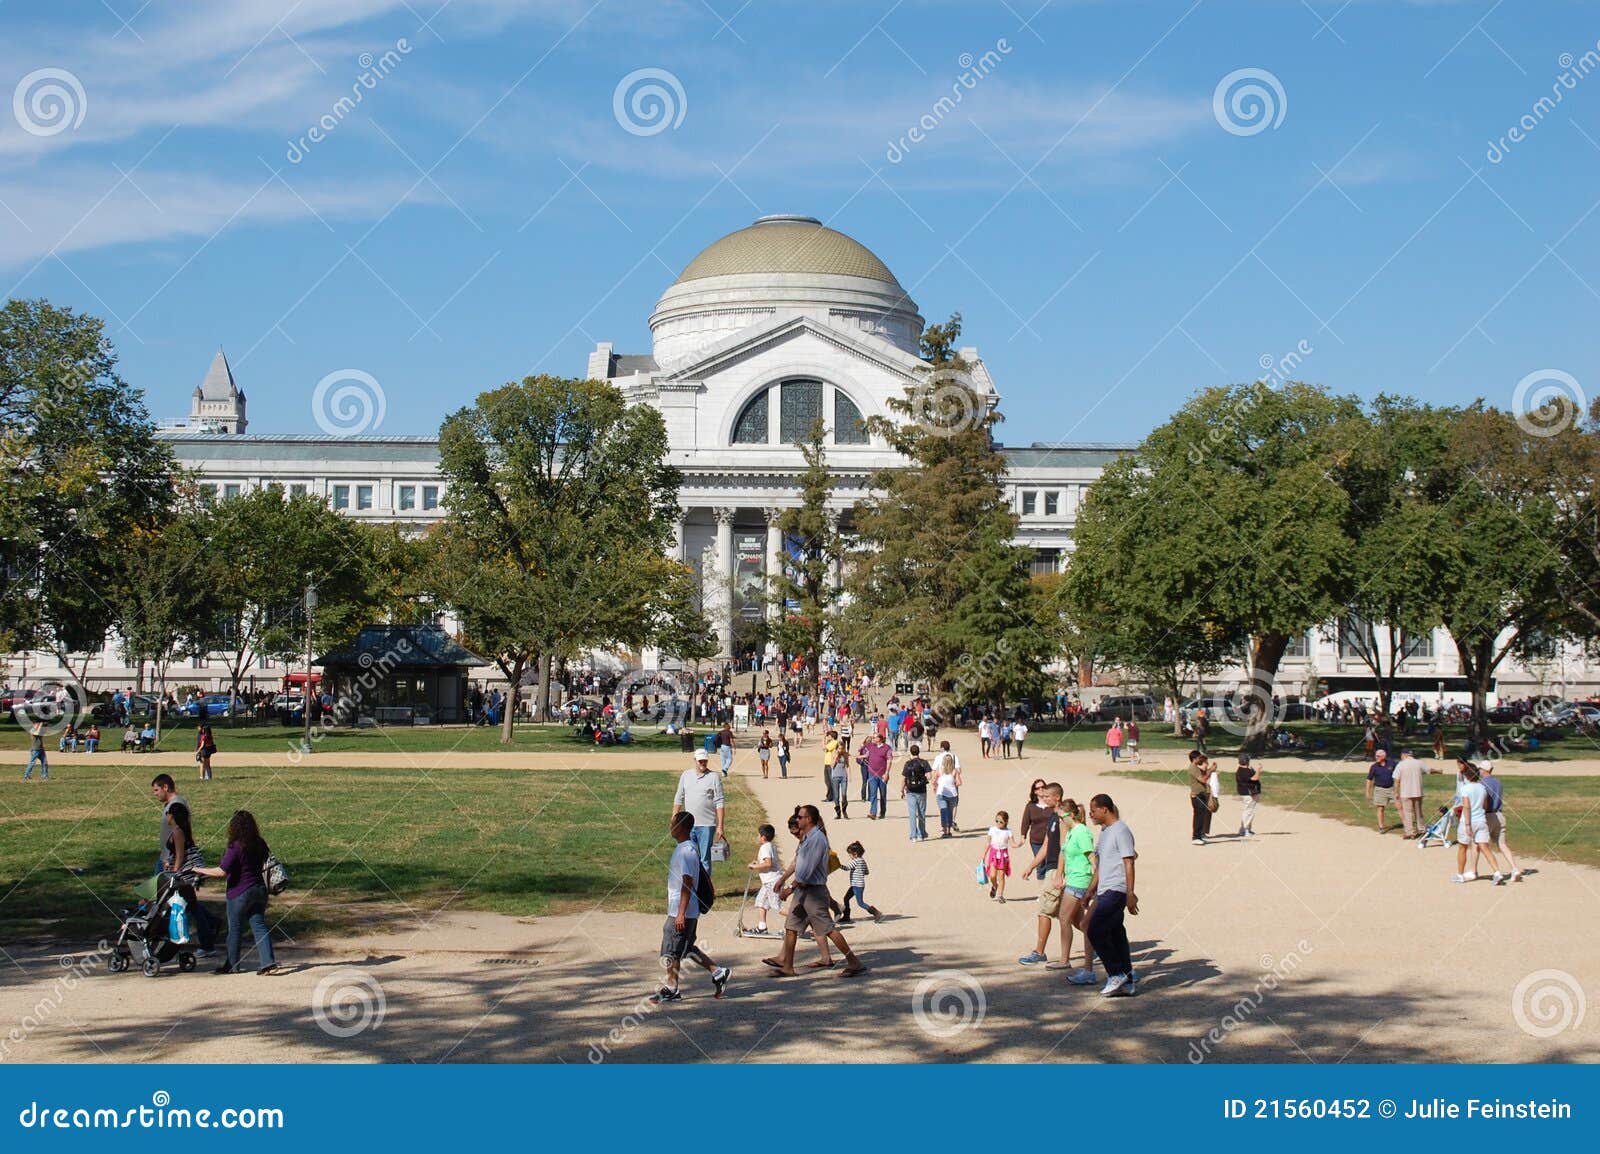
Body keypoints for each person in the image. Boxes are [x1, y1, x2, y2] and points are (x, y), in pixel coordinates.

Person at [764, 805, 865, 977]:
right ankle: (787, 966)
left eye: (801, 817)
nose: (798, 819)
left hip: (813, 892)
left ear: (809, 819)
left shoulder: (817, 839)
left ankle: (854, 962)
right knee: (791, 926)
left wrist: (789, 889)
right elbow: (797, 862)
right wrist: (782, 880)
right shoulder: (807, 838)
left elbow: (807, 871)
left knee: (828, 929)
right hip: (803, 891)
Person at [652, 812, 731, 1002]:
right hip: (685, 910)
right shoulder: (686, 848)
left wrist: (680, 914)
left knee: (671, 950)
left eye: (673, 823)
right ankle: (718, 972)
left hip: (683, 911)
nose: (670, 826)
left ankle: (672, 988)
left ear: (681, 827)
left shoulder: (686, 851)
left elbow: (687, 884)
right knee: (685, 949)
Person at [192, 809, 279, 975]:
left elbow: (221, 871)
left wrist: (199, 870)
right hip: (260, 890)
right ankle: (268, 962)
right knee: (259, 925)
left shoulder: (236, 847)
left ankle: (232, 964)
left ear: (234, 827)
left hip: (239, 892)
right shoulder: (260, 842)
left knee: (235, 929)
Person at [151, 774, 217, 955]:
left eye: (156, 790)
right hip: (172, 863)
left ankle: (204, 941)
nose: (155, 794)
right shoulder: (175, 805)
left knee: (164, 901)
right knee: (189, 903)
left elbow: (180, 850)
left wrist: (174, 870)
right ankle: (212, 926)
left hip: (173, 866)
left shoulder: (176, 807)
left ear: (166, 787)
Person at [1085, 794, 1139, 997]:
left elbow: (1129, 862)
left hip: (1116, 889)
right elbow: (1101, 865)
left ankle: (1115, 973)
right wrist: (1090, 891)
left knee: (1095, 929)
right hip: (1104, 889)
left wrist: (1130, 893)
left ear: (1105, 810)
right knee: (1116, 933)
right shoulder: (1106, 832)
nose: (1091, 814)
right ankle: (1127, 979)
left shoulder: (1121, 830)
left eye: (1093, 810)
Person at [672, 749, 726, 867]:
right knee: (688, 857)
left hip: (707, 825)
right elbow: (678, 797)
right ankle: (692, 884)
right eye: (700, 761)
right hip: (688, 825)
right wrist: (674, 819)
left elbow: (720, 802)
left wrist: (720, 826)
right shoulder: (686, 775)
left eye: (705, 761)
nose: (703, 763)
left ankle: (704, 885)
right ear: (695, 760)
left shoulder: (714, 777)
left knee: (705, 859)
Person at [1452, 763, 1505, 884]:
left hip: (1469, 821)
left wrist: (1467, 825)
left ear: (1467, 776)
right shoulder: (1482, 788)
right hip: (1481, 820)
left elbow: (1466, 807)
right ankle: (1497, 872)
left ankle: (1460, 874)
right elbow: (1485, 805)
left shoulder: (1465, 789)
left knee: (1463, 848)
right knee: (1485, 848)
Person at [1478, 762, 1523, 882]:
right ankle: (1514, 868)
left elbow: (1484, 801)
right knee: (1502, 844)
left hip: (1488, 816)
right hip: (1500, 815)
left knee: (1479, 844)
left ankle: (1481, 871)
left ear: (1484, 770)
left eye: (1480, 769)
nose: (1479, 771)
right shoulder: (1498, 782)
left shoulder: (1482, 784)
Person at [748, 823, 783, 934]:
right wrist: (758, 863)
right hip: (768, 882)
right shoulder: (770, 846)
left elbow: (768, 864)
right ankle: (762, 927)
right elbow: (768, 863)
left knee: (776, 906)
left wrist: (754, 866)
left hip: (772, 881)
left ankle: (801, 917)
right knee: (761, 902)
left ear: (763, 837)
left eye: (758, 835)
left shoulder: (765, 847)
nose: (757, 837)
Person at [839, 841, 883, 924]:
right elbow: (867, 872)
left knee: (860, 903)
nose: (849, 856)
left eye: (850, 854)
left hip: (857, 886)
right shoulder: (862, 861)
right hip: (857, 885)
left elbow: (846, 868)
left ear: (855, 854)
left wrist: (838, 865)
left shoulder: (855, 861)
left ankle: (876, 913)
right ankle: (846, 916)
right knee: (846, 898)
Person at [1393, 747, 1431, 839]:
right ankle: (1421, 829)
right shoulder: (1419, 763)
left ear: (1404, 755)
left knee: (1407, 813)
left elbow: (1396, 780)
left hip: (1406, 792)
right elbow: (1429, 770)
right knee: (1418, 812)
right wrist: (1439, 771)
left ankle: (1410, 832)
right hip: (1417, 791)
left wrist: (1396, 792)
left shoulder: (1400, 765)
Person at [983, 812, 1018, 902]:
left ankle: (1000, 895)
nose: (998, 823)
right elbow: (988, 843)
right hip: (993, 854)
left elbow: (1012, 844)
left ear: (1006, 822)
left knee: (1001, 876)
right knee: (992, 875)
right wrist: (983, 855)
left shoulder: (1008, 832)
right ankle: (995, 886)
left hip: (1003, 854)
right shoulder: (992, 829)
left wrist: (1019, 843)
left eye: (1001, 822)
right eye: (996, 821)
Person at [901, 743, 932, 841]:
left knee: (912, 813)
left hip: (910, 791)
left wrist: (902, 790)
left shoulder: (908, 763)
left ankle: (913, 835)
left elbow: (903, 778)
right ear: (919, 752)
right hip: (922, 790)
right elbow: (929, 776)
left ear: (911, 752)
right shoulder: (924, 763)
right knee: (921, 812)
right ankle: (922, 834)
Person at [933, 745, 962, 837]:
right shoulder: (954, 771)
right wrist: (952, 784)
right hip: (952, 794)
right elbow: (959, 782)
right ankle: (948, 831)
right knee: (949, 812)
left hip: (941, 793)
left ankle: (944, 830)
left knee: (943, 811)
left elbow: (933, 781)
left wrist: (936, 786)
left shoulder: (939, 770)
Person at [863, 732, 893, 820]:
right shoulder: (871, 747)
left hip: (882, 774)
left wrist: (887, 773)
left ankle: (883, 812)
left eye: (874, 738)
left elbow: (889, 760)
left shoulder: (887, 748)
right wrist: (858, 756)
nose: (873, 739)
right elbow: (866, 754)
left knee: (883, 794)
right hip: (872, 774)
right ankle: (873, 813)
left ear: (879, 738)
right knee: (873, 793)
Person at [1366, 748, 1396, 833]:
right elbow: (1369, 779)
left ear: (1384, 756)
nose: (1376, 757)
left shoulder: (1392, 763)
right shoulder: (1374, 767)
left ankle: (1407, 826)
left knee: (1400, 806)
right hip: (1379, 790)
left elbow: (1399, 771)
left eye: (1378, 756)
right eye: (1376, 756)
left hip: (1391, 788)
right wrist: (1368, 792)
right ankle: (1381, 827)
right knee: (1380, 808)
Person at [1235, 754, 1261, 839]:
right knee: (1249, 812)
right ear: (1247, 761)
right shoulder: (1244, 771)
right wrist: (1258, 770)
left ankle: (1245, 829)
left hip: (1246, 793)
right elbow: (1255, 778)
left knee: (1248, 811)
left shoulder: (1242, 769)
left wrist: (1253, 770)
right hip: (1248, 794)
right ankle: (1245, 830)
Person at [1188, 750, 1211, 845]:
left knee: (1202, 816)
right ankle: (1196, 837)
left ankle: (1199, 835)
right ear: (1194, 759)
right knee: (1198, 816)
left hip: (1201, 794)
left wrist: (1209, 770)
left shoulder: (1196, 768)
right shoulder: (1193, 768)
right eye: (1199, 758)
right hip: (1197, 795)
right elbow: (1203, 779)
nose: (1200, 760)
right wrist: (1211, 771)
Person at [830, 737, 852, 820]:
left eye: (842, 748)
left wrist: (849, 775)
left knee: (844, 794)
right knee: (836, 796)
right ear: (837, 748)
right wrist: (836, 758)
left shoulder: (845, 754)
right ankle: (838, 813)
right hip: (835, 776)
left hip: (843, 777)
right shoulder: (834, 754)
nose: (840, 750)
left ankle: (844, 811)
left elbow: (847, 765)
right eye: (839, 748)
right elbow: (832, 766)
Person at [821, 729, 841, 804]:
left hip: (830, 763)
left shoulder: (834, 742)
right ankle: (831, 796)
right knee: (827, 781)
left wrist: (823, 739)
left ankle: (831, 797)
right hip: (827, 763)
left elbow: (824, 748)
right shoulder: (831, 742)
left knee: (830, 781)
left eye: (828, 736)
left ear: (832, 736)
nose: (827, 736)